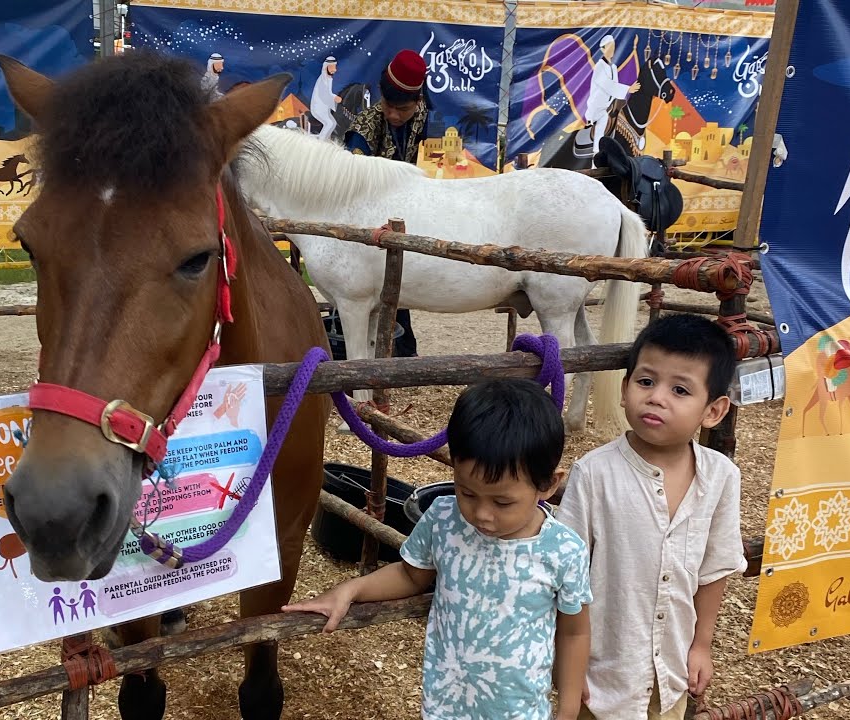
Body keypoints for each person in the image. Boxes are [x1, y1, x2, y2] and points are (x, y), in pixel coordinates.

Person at [285, 378, 592, 720]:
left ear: (548, 484)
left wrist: (567, 706)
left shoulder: (563, 550)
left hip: (520, 711)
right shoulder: (444, 518)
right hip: (446, 707)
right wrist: (353, 588)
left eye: (503, 502)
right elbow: (409, 574)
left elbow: (574, 630)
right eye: (467, 493)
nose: (481, 514)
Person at [558, 314, 746, 720]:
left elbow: (715, 570)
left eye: (680, 389)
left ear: (712, 410)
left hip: (671, 673)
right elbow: (565, 576)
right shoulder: (593, 473)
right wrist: (568, 666)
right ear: (624, 389)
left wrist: (701, 646)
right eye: (645, 382)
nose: (657, 397)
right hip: (600, 678)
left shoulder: (721, 478)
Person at [343, 48, 432, 356]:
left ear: (417, 102)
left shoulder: (423, 115)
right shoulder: (363, 129)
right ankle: (395, 353)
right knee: (384, 284)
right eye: (388, 105)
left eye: (402, 109)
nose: (393, 114)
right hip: (371, 220)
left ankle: (404, 350)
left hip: (408, 207)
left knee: (401, 278)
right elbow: (355, 186)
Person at [584, 35, 639, 167]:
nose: (612, 50)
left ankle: (600, 160)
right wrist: (627, 89)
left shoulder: (613, 67)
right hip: (597, 108)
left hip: (607, 106)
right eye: (609, 47)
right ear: (603, 49)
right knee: (599, 129)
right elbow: (607, 85)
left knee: (605, 130)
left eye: (614, 47)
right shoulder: (600, 67)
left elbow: (614, 85)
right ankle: (595, 163)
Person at [310, 55, 341, 139]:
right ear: (326, 67)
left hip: (324, 108)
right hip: (318, 107)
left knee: (332, 123)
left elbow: (328, 93)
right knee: (330, 123)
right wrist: (334, 98)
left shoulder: (328, 79)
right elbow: (324, 94)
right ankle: (321, 141)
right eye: (332, 67)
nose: (334, 70)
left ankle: (324, 138)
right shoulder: (322, 79)